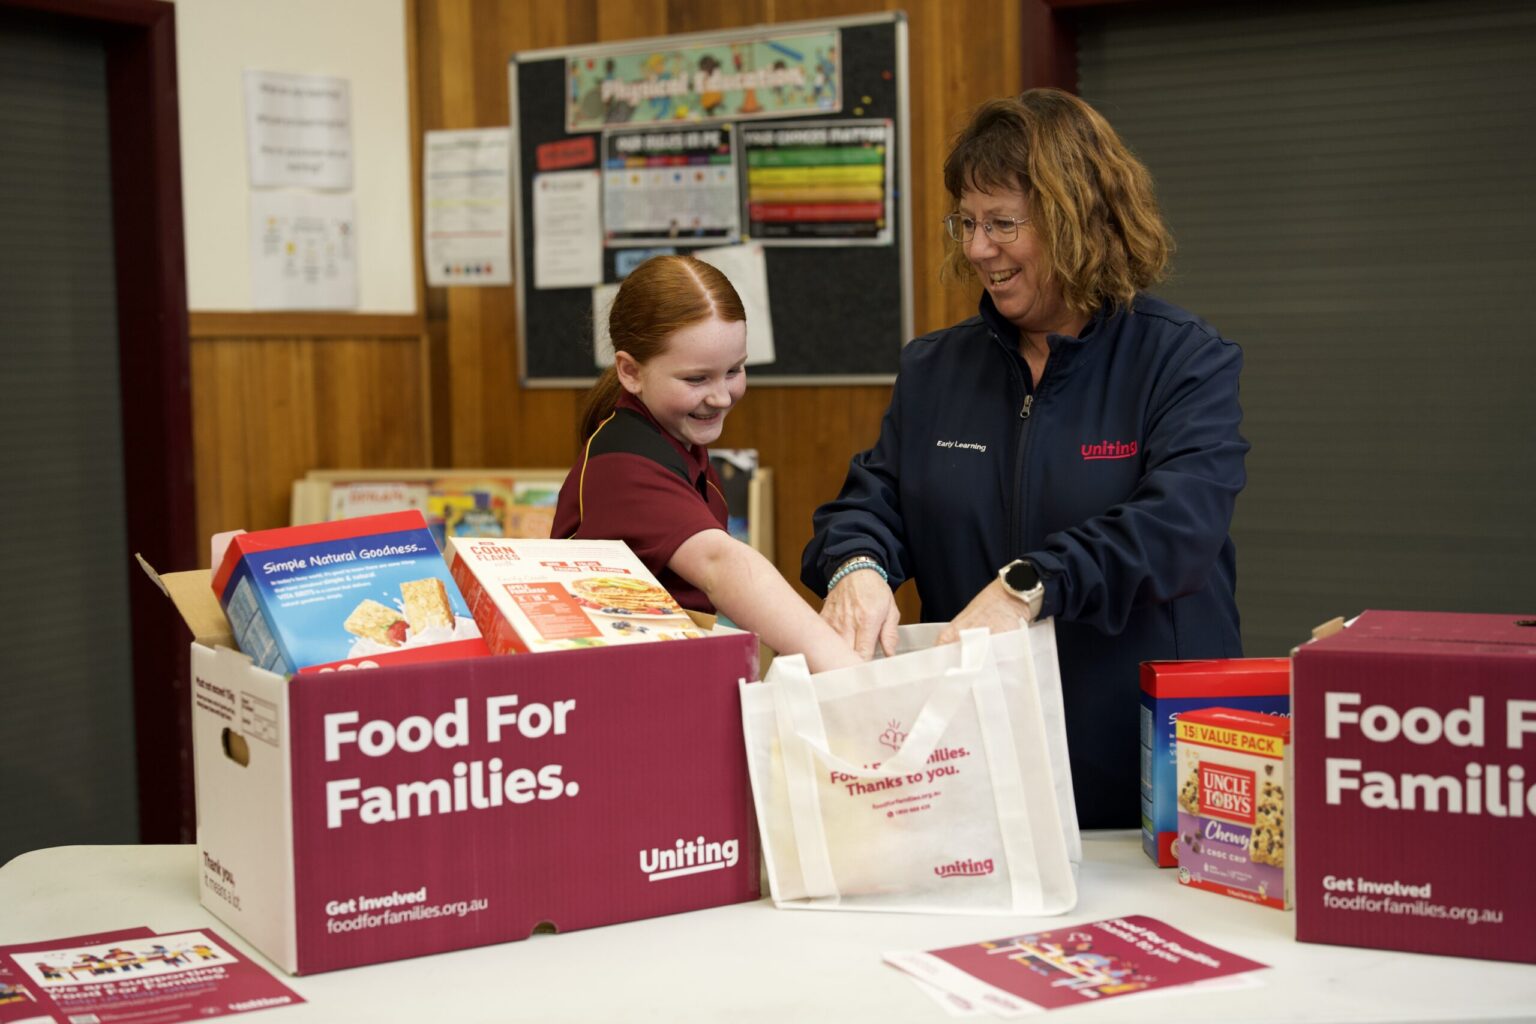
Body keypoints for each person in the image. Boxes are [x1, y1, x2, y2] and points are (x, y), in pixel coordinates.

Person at [801, 89, 1248, 829]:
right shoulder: (935, 370)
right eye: (968, 223)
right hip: (979, 778)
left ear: (1079, 220)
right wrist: (855, 565)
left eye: (1003, 224)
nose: (979, 249)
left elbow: (1178, 527)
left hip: (1145, 775)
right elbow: (873, 502)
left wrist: (1026, 587)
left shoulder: (1182, 361)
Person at [554, 255, 861, 673]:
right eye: (696, 379)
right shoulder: (624, 466)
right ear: (630, 372)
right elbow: (721, 565)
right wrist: (851, 673)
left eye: (734, 370)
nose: (721, 397)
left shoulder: (676, 439)